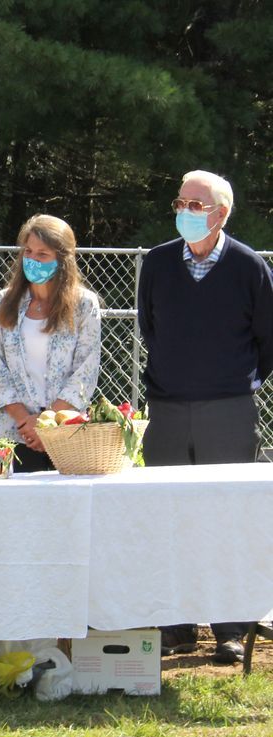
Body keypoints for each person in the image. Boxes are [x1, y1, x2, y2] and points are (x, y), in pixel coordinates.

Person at [138, 169, 273, 664]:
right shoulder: (155, 263)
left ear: (221, 213)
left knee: (226, 518)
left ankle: (230, 630)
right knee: (170, 516)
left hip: (228, 410)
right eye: (181, 202)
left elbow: (267, 338)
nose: (185, 211)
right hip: (167, 408)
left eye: (196, 205)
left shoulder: (248, 266)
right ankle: (176, 626)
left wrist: (235, 382)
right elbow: (150, 327)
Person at [0, 214, 102, 473]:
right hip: (17, 432)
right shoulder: (1, 304)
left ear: (62, 260)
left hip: (67, 433)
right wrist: (26, 422)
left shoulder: (84, 305)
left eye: (42, 255)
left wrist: (47, 422)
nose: (32, 260)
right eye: (28, 252)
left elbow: (86, 371)